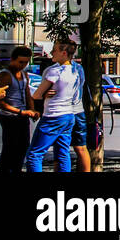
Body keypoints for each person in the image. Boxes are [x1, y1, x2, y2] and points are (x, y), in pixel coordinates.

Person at [25, 38, 81, 172]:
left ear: (64, 53)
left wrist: (44, 95)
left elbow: (36, 95)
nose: (51, 53)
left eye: (54, 50)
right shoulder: (75, 71)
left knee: (34, 154)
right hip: (68, 115)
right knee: (63, 153)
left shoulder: (55, 71)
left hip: (52, 116)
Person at [0, 47, 40, 173]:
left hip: (22, 115)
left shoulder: (24, 74)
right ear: (12, 59)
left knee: (23, 146)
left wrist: (32, 110)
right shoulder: (4, 75)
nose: (23, 65)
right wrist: (20, 112)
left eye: (26, 62)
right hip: (9, 116)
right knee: (10, 147)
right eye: (20, 62)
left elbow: (28, 93)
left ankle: (16, 169)